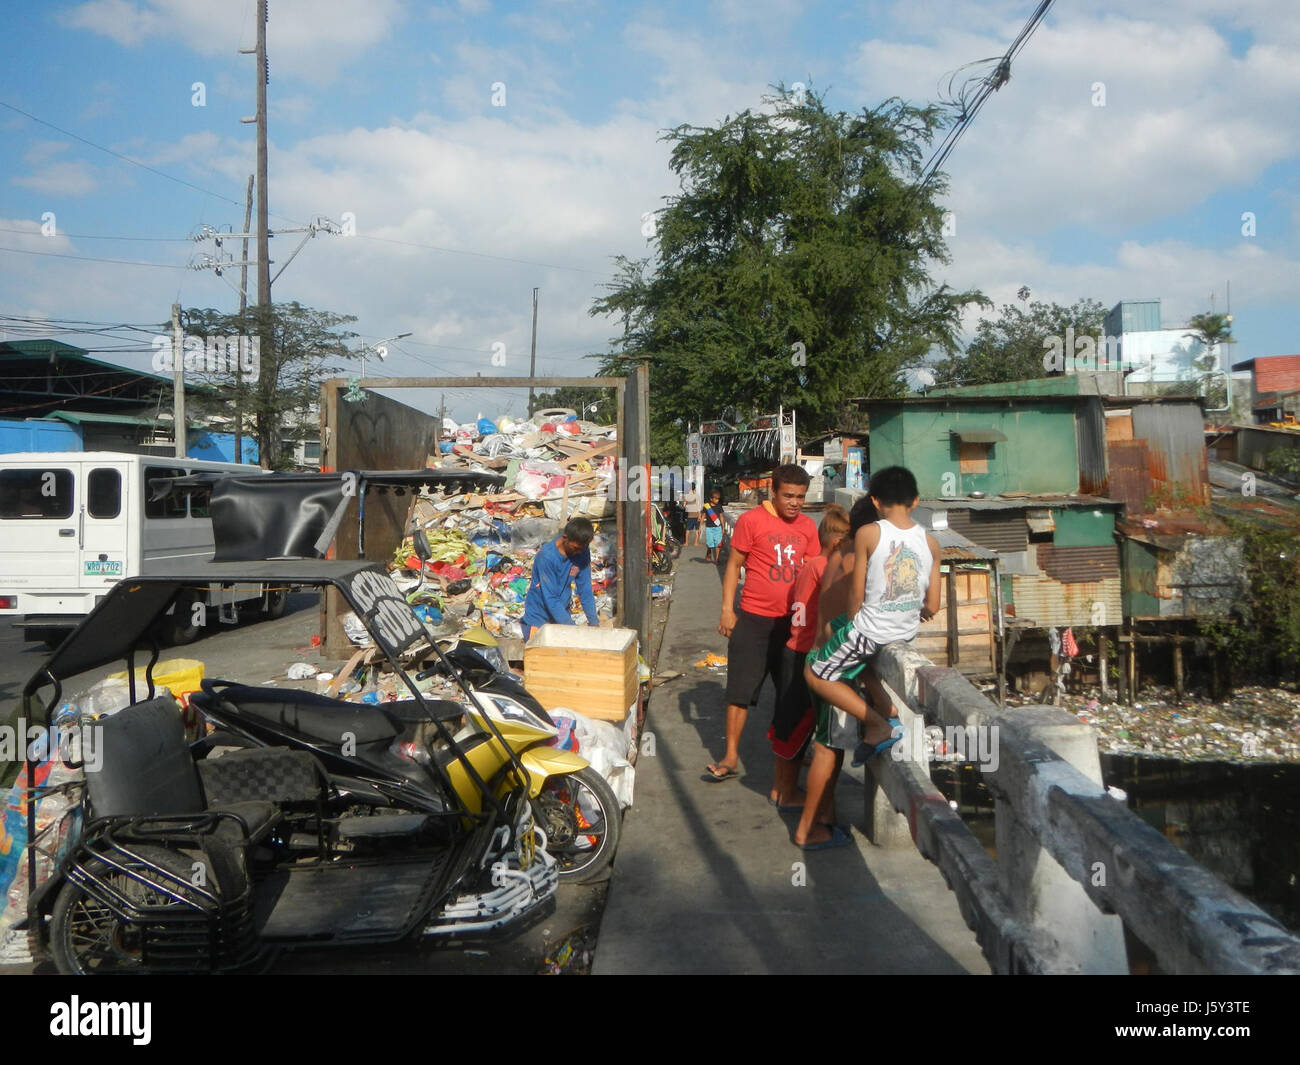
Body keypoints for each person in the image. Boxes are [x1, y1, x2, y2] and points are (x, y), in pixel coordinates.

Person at [795, 469, 940, 849]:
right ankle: (808, 829)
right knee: (827, 749)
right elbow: (857, 610)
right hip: (836, 661)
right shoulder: (873, 551)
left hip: (834, 652)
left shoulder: (841, 555)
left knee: (829, 747)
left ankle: (823, 820)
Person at [705, 464, 819, 782]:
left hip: (792, 623)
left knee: (792, 692)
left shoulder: (809, 527)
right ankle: (730, 755)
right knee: (739, 692)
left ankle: (794, 749)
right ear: (773, 492)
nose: (795, 502)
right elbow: (734, 565)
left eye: (800, 496)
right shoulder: (751, 521)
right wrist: (727, 610)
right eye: (789, 496)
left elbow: (813, 574)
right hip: (753, 618)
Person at [767, 504, 849, 809]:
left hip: (794, 648)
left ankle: (781, 789)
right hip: (805, 652)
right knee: (798, 726)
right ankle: (786, 793)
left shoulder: (809, 564)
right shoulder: (825, 567)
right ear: (839, 542)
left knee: (788, 725)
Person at [521, 516, 600, 642]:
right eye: (575, 548)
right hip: (538, 619)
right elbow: (551, 599)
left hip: (561, 616)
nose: (578, 553)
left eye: (582, 549)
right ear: (565, 539)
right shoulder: (547, 557)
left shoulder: (582, 552)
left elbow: (585, 590)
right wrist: (572, 629)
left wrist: (594, 623)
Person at [702, 488, 725, 562]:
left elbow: (721, 517)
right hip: (709, 528)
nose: (717, 500)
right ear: (711, 499)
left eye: (718, 499)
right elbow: (703, 516)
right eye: (715, 499)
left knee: (718, 544)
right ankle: (709, 552)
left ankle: (717, 559)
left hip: (717, 527)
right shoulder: (706, 506)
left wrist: (723, 527)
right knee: (709, 543)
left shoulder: (719, 506)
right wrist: (699, 527)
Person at [683, 481, 702, 547]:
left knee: (688, 529)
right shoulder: (697, 496)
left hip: (689, 515)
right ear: (694, 488)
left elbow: (684, 505)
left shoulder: (686, 496)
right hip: (696, 514)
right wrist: (699, 515)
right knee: (697, 529)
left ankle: (686, 543)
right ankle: (696, 543)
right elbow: (698, 506)